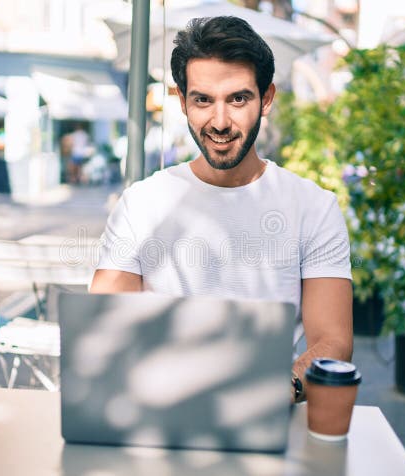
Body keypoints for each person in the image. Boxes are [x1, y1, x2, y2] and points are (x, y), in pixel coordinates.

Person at [91, 16, 353, 403]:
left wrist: (283, 387)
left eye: (238, 98)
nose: (219, 121)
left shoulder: (314, 208)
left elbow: (333, 341)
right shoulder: (141, 204)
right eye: (202, 99)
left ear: (266, 98)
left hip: (269, 409)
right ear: (182, 102)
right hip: (156, 409)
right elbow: (103, 324)